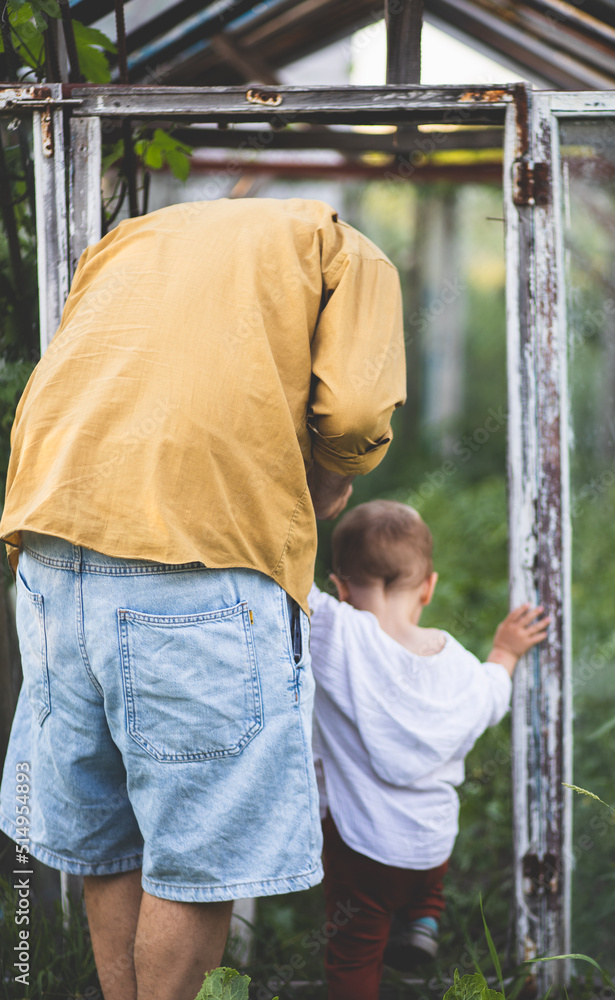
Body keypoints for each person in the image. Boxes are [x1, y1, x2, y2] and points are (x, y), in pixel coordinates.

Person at [0, 198, 406, 1000]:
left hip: (51, 549)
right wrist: (332, 471)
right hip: (196, 559)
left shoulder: (128, 241)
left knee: (107, 838)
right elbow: (356, 412)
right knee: (203, 857)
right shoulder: (346, 250)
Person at [308, 500, 549, 1000]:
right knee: (422, 875)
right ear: (429, 587)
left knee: (354, 952)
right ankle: (424, 919)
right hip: (431, 848)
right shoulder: (457, 662)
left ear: (340, 587)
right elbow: (491, 697)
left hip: (363, 851)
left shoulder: (335, 634)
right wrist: (504, 652)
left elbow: (285, 581)